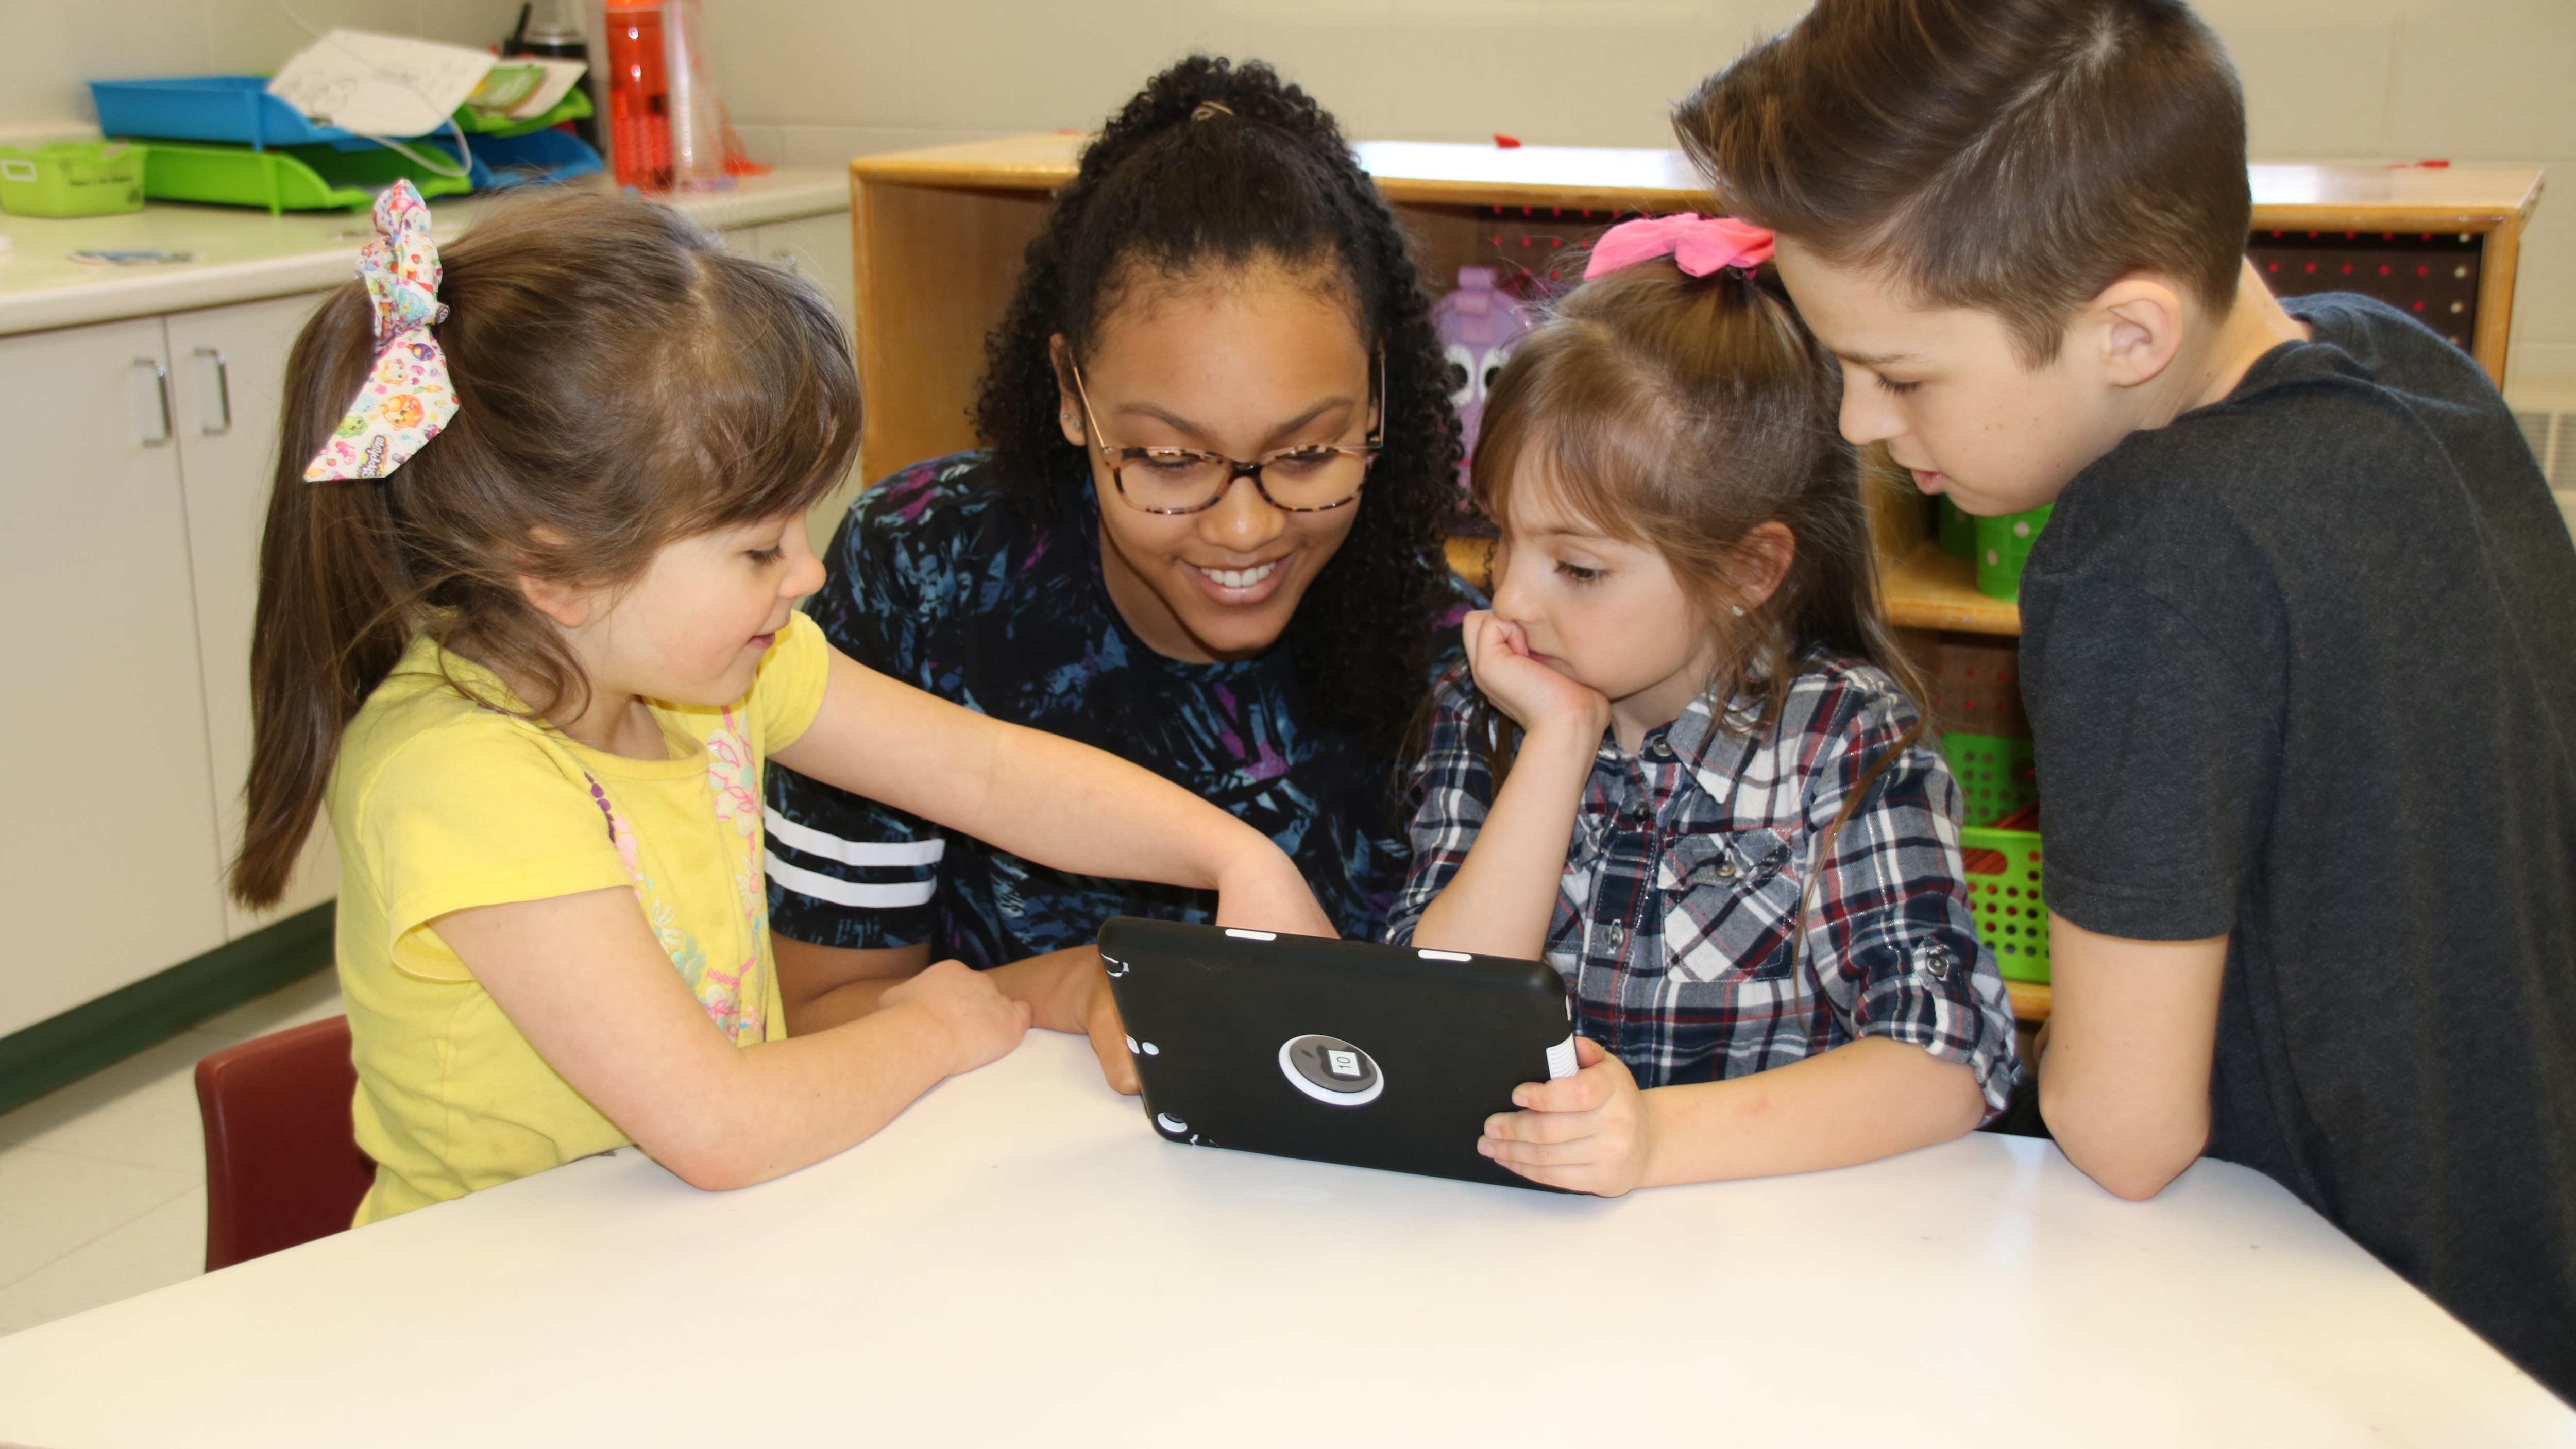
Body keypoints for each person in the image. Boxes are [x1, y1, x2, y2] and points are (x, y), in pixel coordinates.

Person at [1678, 0, 2576, 1395]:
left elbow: (2124, 1126)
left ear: (2130, 333)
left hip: (2358, 1333)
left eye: (1900, 372)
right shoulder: (2412, 370)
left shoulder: (2143, 554)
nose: (1857, 422)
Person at [232, 182, 1332, 1224]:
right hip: (491, 1313)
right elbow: (721, 1125)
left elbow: (989, 774)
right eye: (759, 547)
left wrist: (1235, 857)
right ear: (558, 572)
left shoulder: (708, 673)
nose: (805, 575)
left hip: (684, 1252)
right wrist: (931, 1027)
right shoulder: (465, 779)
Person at [764, 56, 1464, 1091]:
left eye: (1307, 456)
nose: (1242, 526)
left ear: (1379, 401)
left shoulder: (1463, 657)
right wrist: (1078, 987)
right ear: (1068, 395)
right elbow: (815, 1011)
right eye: (1170, 461)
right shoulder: (922, 574)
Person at [1387, 218, 2019, 1197]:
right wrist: (1557, 745)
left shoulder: (1843, 743)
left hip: (1754, 1271)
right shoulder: (1489, 710)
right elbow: (1424, 1024)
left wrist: (1656, 1139)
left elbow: (1945, 1063)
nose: (1510, 600)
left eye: (1579, 567)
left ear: (1746, 569)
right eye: (1504, 540)